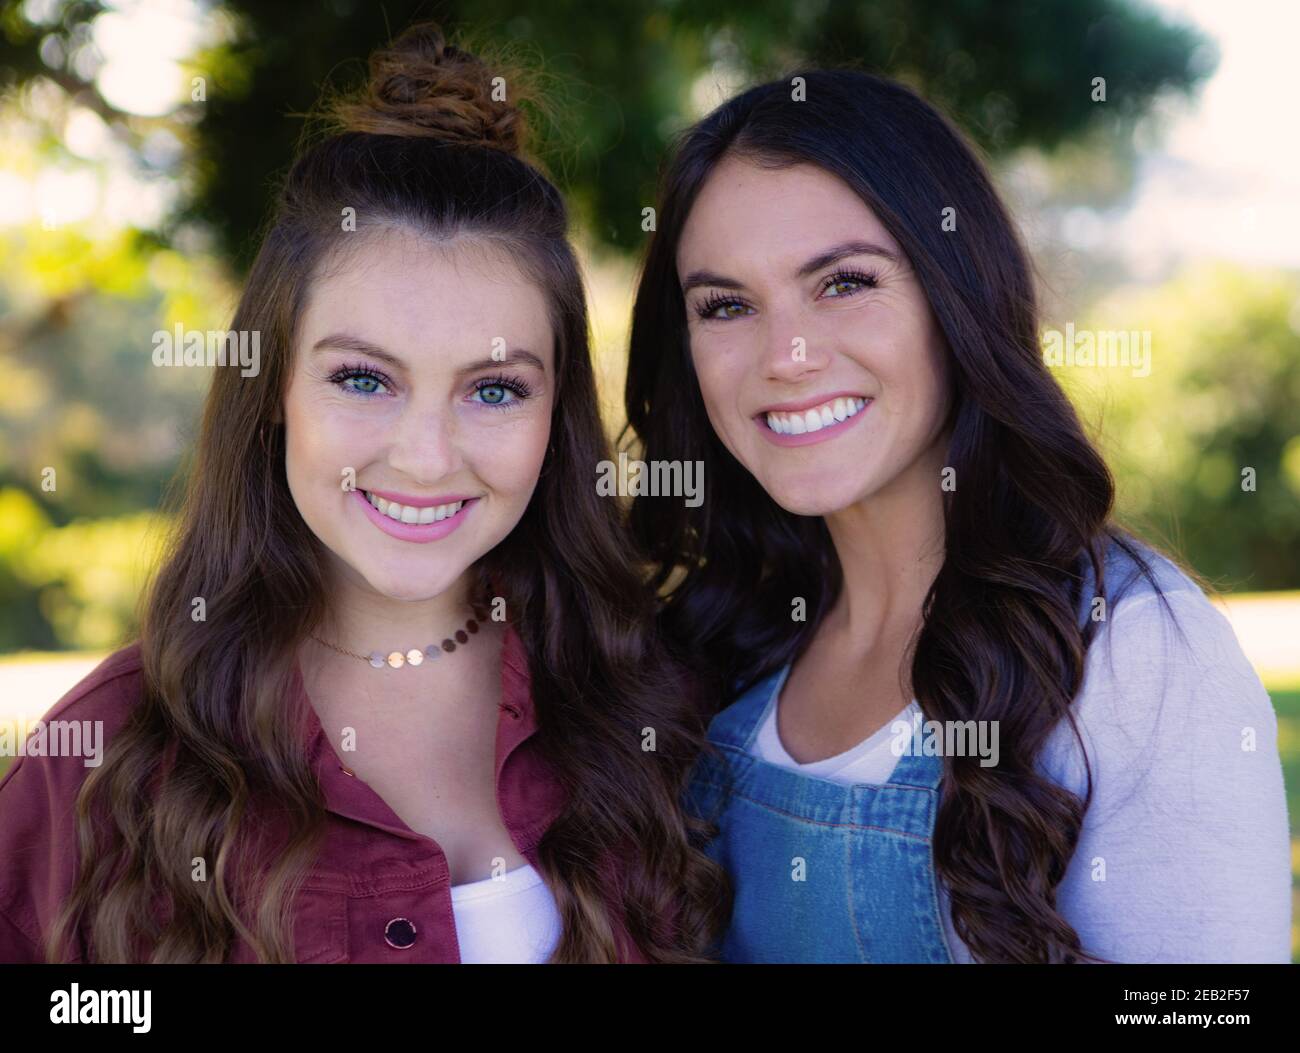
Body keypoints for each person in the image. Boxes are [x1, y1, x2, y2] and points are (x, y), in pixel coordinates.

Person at [0, 22, 728, 964]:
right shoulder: (113, 748)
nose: (426, 458)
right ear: (274, 393)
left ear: (558, 420)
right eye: (363, 379)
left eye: (495, 389)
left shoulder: (651, 697)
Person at [623, 68, 1291, 963]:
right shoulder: (719, 645)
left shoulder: (1132, 652)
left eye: (844, 282)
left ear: (956, 293)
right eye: (727, 305)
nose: (785, 356)